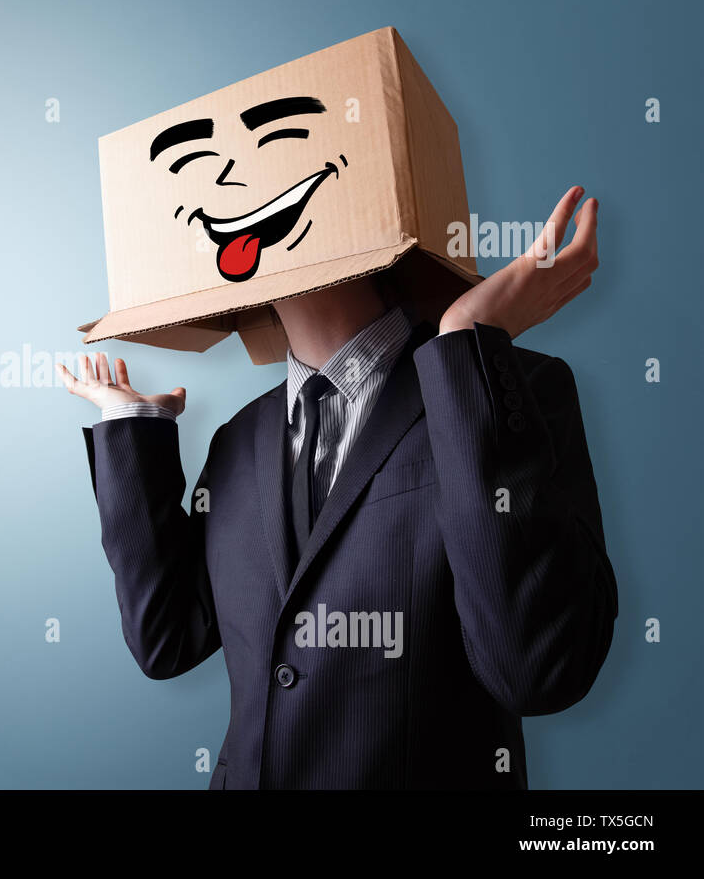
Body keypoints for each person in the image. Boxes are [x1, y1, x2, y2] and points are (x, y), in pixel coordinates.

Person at [59, 186, 617, 790]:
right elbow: (166, 641)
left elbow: (537, 671)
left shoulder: (500, 387)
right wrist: (133, 428)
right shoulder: (237, 439)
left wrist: (468, 340)